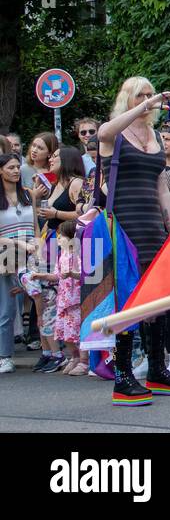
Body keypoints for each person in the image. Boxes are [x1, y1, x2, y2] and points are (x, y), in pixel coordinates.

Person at [96, 77, 170, 404]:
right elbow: (102, 133)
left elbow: (161, 184)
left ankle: (156, 368)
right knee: (128, 300)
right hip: (123, 225)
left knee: (155, 298)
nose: (149, 100)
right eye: (141, 95)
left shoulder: (153, 136)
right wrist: (143, 107)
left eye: (151, 95)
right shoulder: (116, 133)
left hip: (152, 226)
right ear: (129, 98)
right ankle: (122, 377)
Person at [31, 147, 87, 373]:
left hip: (71, 242)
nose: (51, 159)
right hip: (52, 240)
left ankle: (82, 355)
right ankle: (69, 352)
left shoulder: (76, 183)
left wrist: (56, 215)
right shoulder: (55, 185)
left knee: (71, 298)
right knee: (55, 298)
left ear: (67, 160)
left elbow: (83, 214)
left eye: (55, 156)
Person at [1, 152, 39, 374]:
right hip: (5, 256)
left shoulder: (27, 194)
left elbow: (35, 226)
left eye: (17, 167)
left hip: (30, 255)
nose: (16, 171)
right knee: (7, 310)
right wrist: (19, 245)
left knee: (41, 301)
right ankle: (5, 355)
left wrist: (38, 249)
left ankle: (49, 351)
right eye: (11, 167)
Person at [52, 220, 85, 375]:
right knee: (65, 332)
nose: (58, 239)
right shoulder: (62, 255)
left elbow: (85, 275)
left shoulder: (78, 255)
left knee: (77, 331)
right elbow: (57, 275)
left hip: (75, 300)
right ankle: (74, 356)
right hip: (63, 300)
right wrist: (41, 276)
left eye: (62, 236)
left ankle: (84, 361)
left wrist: (72, 273)